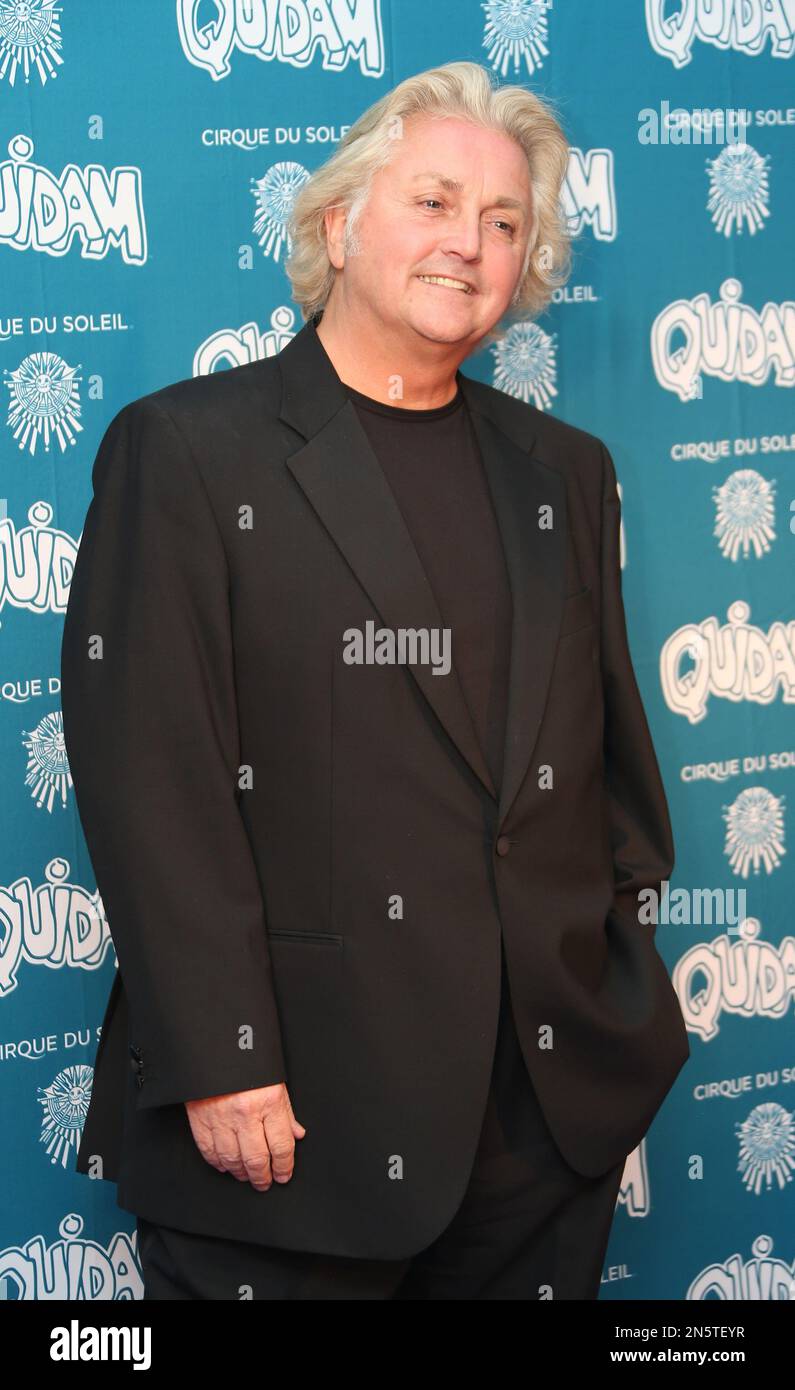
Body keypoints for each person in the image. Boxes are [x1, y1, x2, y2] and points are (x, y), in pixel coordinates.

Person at [61, 61, 690, 1300]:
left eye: (504, 222)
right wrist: (223, 1054)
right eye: (436, 202)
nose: (471, 243)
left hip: (541, 1139)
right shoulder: (187, 451)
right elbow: (152, 772)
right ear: (341, 225)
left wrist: (610, 988)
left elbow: (598, 759)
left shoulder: (565, 469)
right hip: (291, 1134)